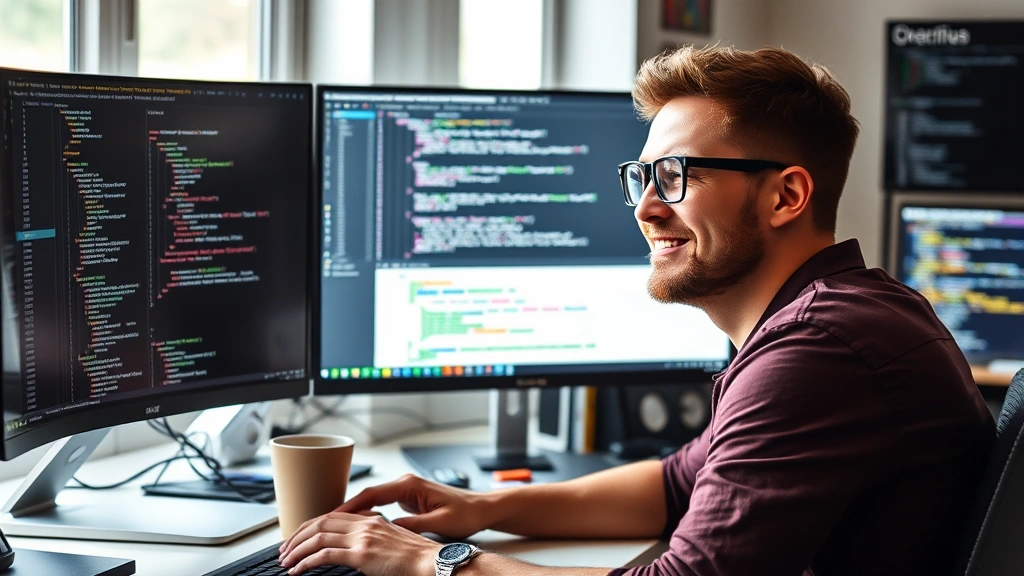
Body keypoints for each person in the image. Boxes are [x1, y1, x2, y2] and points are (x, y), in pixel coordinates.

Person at [277, 45, 995, 576]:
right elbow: (675, 483)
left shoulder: (821, 349)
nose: (647, 207)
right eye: (642, 177)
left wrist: (434, 561)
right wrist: (485, 509)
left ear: (786, 196)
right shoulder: (844, 310)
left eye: (676, 176)